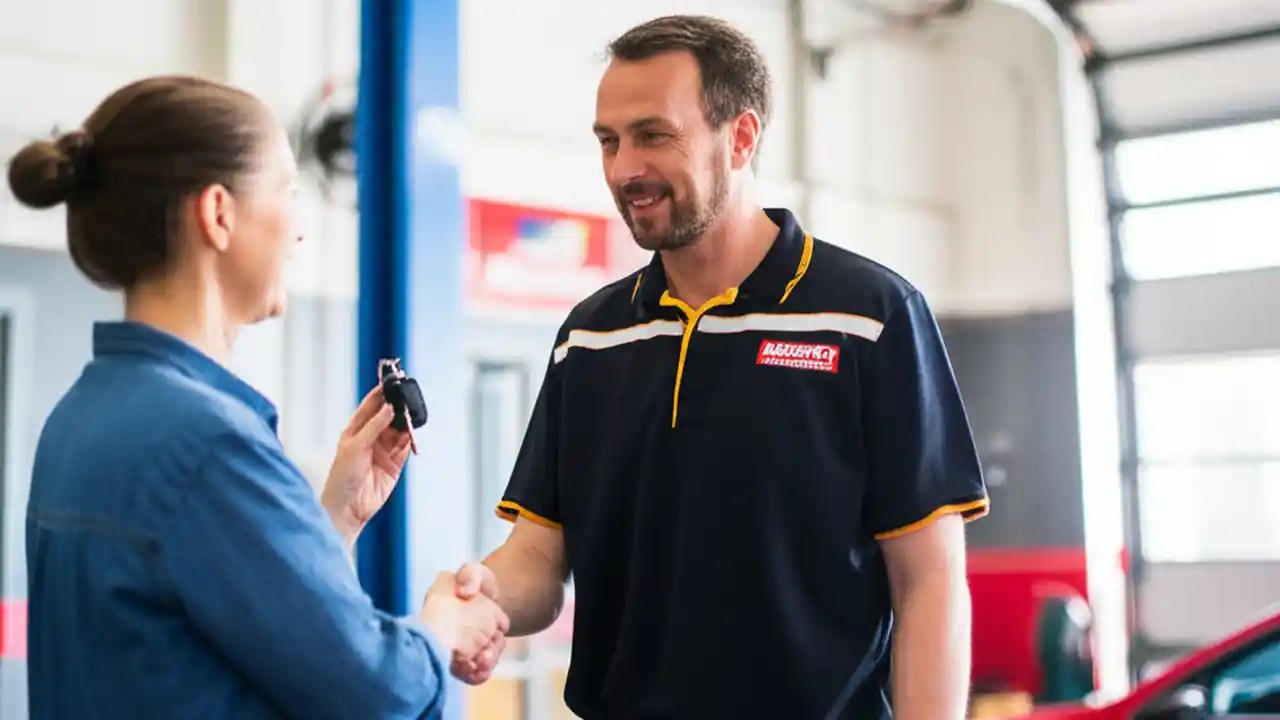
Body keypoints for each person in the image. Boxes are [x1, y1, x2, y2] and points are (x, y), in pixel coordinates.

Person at [451, 14, 990, 720]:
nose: (624, 170)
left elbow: (929, 580)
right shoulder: (589, 339)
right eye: (609, 142)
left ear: (740, 138)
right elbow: (538, 559)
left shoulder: (868, 317)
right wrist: (477, 598)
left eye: (653, 135)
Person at [9, 75, 507, 719]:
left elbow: (210, 630)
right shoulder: (205, 444)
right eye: (288, 193)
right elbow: (375, 692)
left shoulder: (79, 417)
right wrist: (440, 631)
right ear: (218, 214)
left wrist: (335, 517)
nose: (299, 230)